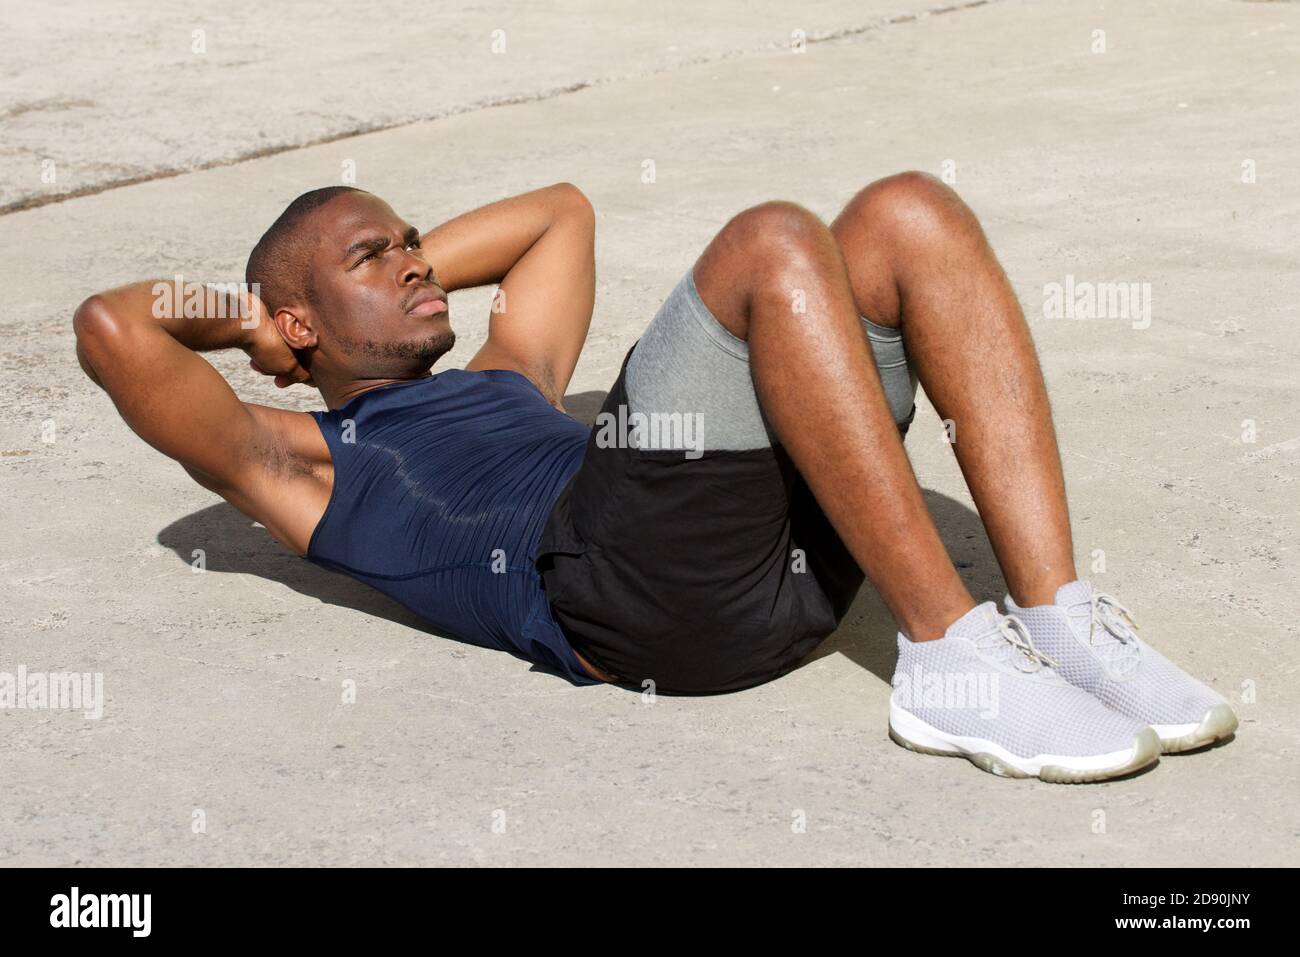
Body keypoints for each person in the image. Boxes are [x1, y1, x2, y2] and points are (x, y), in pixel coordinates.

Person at [73, 176, 1236, 784]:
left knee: (905, 215)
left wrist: (383, 270)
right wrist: (250, 328)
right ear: (297, 319)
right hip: (626, 603)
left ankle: (1055, 616)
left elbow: (558, 216)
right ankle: (949, 656)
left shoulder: (511, 374)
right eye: (371, 257)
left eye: (413, 239)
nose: (417, 259)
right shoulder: (304, 463)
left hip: (772, 566)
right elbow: (113, 330)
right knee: (771, 240)